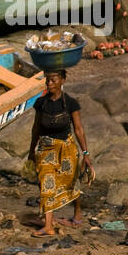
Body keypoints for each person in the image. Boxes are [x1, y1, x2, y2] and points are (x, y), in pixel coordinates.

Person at [29, 70, 94, 237]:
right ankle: (48, 225)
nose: (49, 83)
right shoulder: (40, 103)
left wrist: (86, 153)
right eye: (48, 80)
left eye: (53, 80)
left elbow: (79, 129)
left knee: (71, 183)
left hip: (67, 148)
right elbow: (36, 128)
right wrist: (31, 151)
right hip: (46, 149)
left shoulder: (71, 103)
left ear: (62, 80)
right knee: (46, 183)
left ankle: (77, 215)